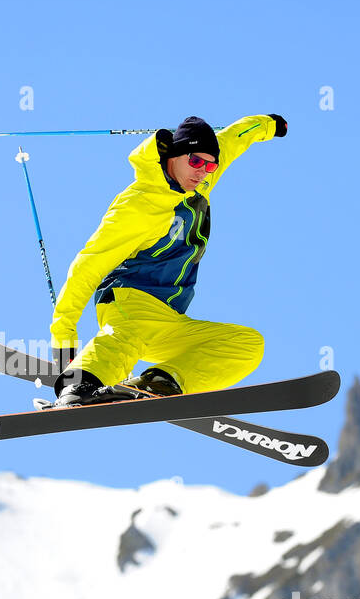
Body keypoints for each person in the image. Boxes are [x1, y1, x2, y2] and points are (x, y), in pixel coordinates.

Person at [48, 113, 287, 407]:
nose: (203, 172)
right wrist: (64, 335)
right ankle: (79, 385)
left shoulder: (199, 182)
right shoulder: (140, 203)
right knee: (125, 338)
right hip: (130, 300)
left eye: (210, 165)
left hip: (170, 320)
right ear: (174, 155)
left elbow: (234, 137)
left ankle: (160, 381)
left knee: (247, 344)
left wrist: (270, 124)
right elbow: (89, 265)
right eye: (196, 162)